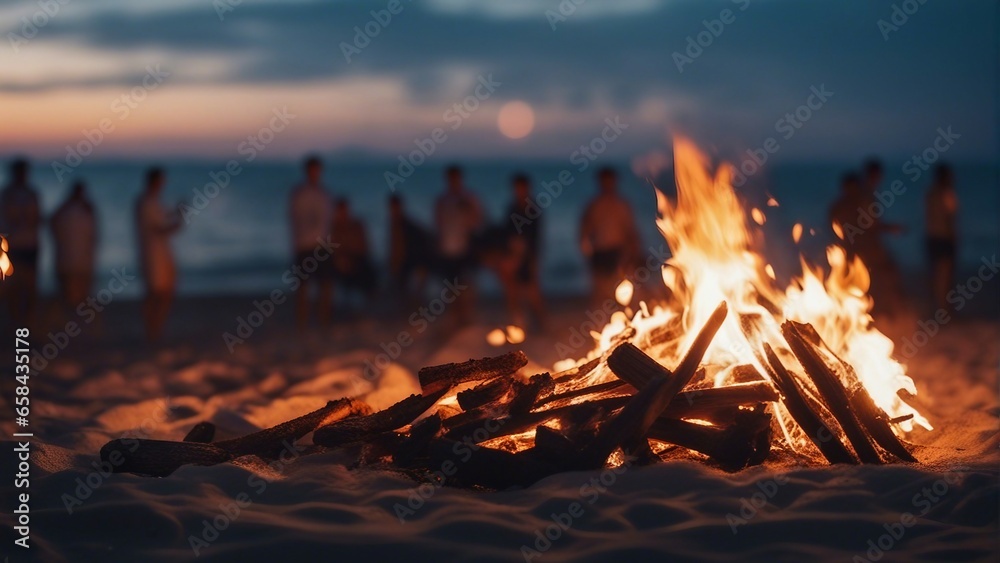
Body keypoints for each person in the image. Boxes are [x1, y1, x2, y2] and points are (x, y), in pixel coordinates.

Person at [579, 167, 641, 307]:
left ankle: (625, 316)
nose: (607, 184)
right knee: (600, 291)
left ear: (615, 182)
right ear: (600, 182)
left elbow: (631, 230)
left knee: (623, 290)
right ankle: (600, 319)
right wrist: (586, 250)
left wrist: (634, 251)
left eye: (610, 181)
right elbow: (584, 230)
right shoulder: (594, 206)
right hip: (600, 252)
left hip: (619, 252)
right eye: (604, 181)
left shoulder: (621, 205)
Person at [135, 167, 182, 342]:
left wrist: (176, 214)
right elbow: (158, 228)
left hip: (161, 254)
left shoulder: (153, 202)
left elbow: (163, 217)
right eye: (161, 181)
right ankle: (152, 330)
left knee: (165, 291)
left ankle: (156, 329)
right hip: (152, 256)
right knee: (155, 293)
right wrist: (176, 223)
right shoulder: (146, 203)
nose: (163, 184)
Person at [288, 155, 333, 328]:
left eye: (317, 170)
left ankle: (324, 320)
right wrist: (295, 244)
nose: (315, 173)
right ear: (307, 171)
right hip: (304, 245)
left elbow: (328, 221)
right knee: (303, 287)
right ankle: (302, 322)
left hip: (322, 245)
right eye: (313, 170)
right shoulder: (299, 194)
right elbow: (293, 220)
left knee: (326, 284)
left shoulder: (324, 194)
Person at [434, 165, 482, 324]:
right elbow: (438, 224)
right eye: (451, 179)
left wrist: (468, 210)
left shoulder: (469, 198)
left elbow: (478, 222)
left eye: (455, 178)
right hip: (447, 250)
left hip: (465, 249)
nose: (453, 182)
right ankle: (454, 318)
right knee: (450, 287)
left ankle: (466, 317)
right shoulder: (442, 201)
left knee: (465, 285)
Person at [0, 158, 42, 327]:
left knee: (29, 284)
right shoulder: (7, 195)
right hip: (13, 245)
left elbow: (38, 217)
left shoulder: (32, 194)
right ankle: (14, 319)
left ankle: (27, 321)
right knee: (12, 284)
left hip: (30, 244)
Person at [501, 173, 546, 329]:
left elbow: (536, 236)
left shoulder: (533, 209)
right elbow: (507, 232)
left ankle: (540, 321)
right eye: (517, 188)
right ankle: (516, 323)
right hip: (513, 256)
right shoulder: (512, 208)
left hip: (528, 256)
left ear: (527, 188)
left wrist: (532, 258)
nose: (519, 191)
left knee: (532, 290)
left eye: (522, 188)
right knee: (512, 289)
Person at [51, 181, 98, 309]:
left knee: (79, 295)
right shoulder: (76, 211)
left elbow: (93, 236)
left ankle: (75, 315)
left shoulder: (85, 211)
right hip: (71, 261)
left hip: (78, 261)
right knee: (71, 295)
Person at [925, 163, 958, 312]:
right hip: (943, 238)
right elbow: (950, 217)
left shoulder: (930, 193)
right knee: (944, 275)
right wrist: (954, 236)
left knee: (936, 274)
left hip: (932, 237)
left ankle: (938, 307)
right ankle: (943, 308)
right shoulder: (946, 193)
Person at [330, 198, 375, 303]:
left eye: (344, 211)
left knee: (367, 271)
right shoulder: (333, 228)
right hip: (339, 263)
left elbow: (364, 246)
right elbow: (331, 249)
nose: (343, 214)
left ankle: (368, 300)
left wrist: (351, 256)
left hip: (357, 260)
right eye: (340, 211)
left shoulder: (356, 225)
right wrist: (340, 258)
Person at [387, 194, 430, 303]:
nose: (393, 211)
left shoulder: (405, 225)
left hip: (416, 260)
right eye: (392, 208)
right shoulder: (396, 224)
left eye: (395, 208)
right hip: (410, 261)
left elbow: (400, 248)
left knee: (408, 290)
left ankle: (411, 305)